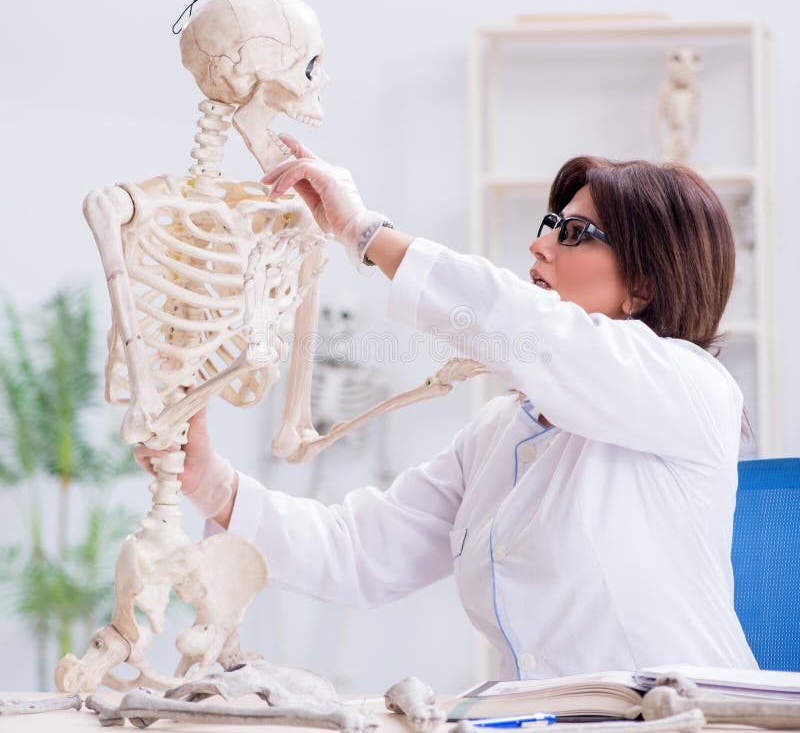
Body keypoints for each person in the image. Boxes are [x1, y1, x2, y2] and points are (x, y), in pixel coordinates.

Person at [135, 137, 758, 678]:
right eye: (548, 223)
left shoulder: (691, 390)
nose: (540, 246)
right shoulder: (500, 434)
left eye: (574, 234)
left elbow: (526, 326)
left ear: (643, 286)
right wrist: (211, 486)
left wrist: (365, 232)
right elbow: (359, 551)